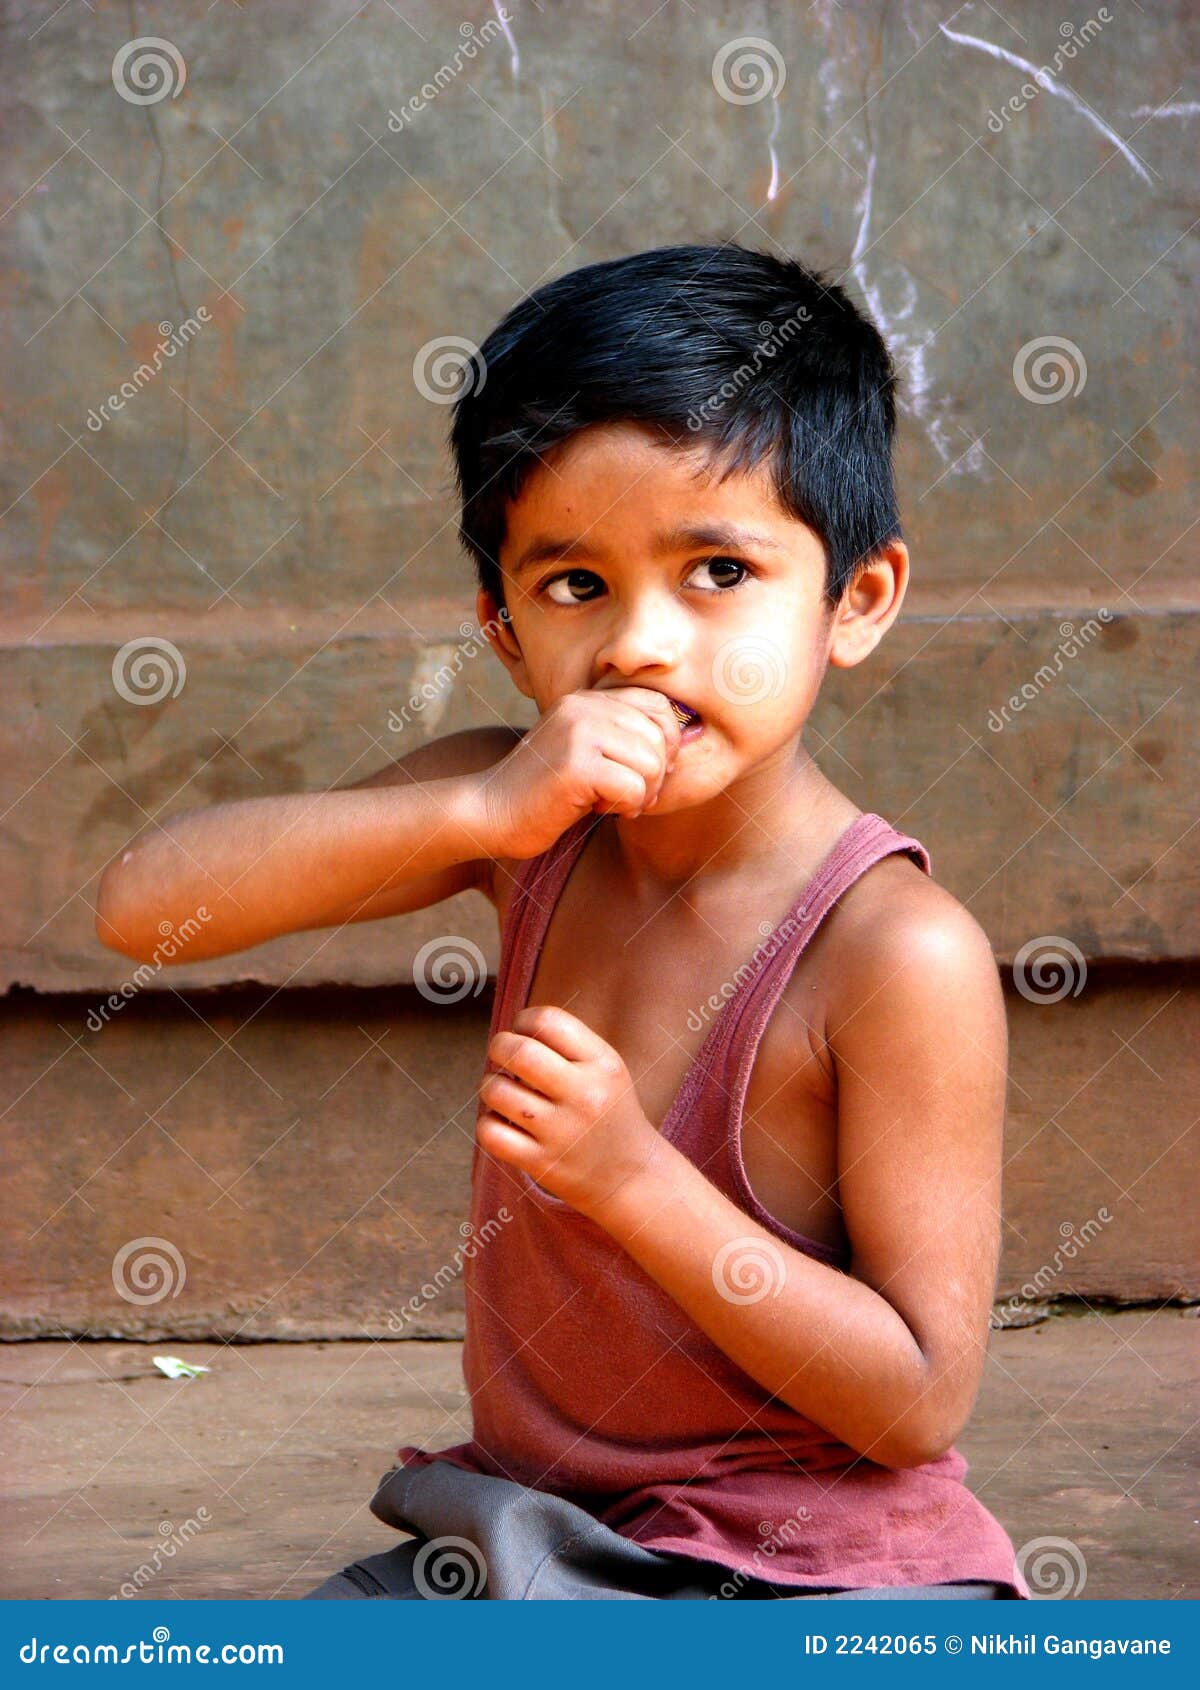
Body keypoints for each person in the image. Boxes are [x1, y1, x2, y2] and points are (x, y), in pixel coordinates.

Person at [96, 241, 1030, 1601]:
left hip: (817, 1570)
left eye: (717, 570)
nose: (642, 642)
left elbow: (917, 1402)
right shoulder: (517, 829)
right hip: (549, 1531)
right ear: (504, 630)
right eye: (575, 585)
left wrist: (630, 1178)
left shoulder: (894, 952)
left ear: (857, 598)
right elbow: (143, 909)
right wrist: (476, 809)